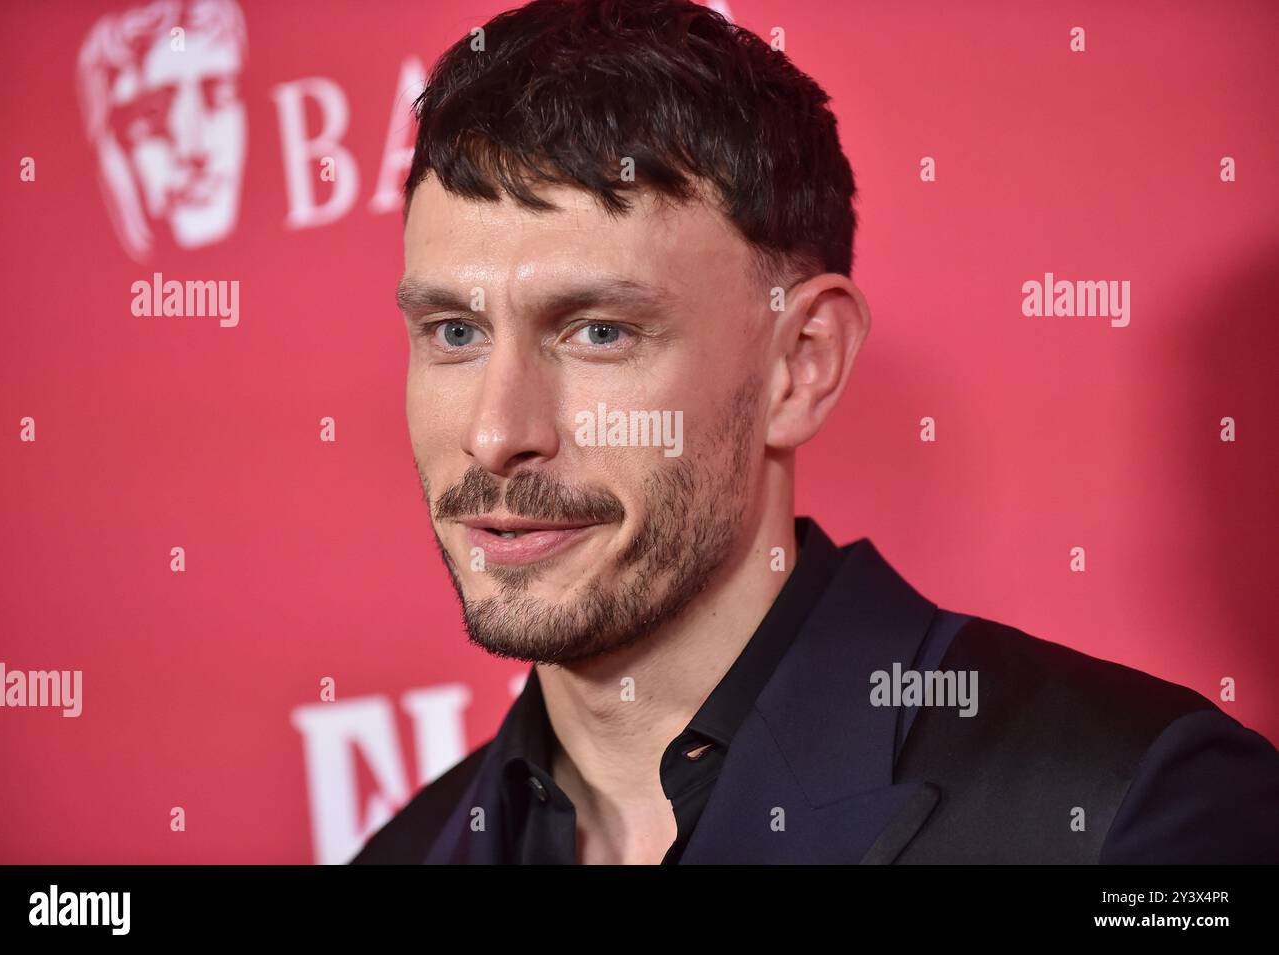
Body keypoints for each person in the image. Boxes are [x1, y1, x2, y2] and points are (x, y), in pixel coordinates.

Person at [353, 0, 1279, 864]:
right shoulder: (404, 850)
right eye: (456, 332)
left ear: (800, 364)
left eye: (601, 332)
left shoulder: (1131, 809)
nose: (495, 432)